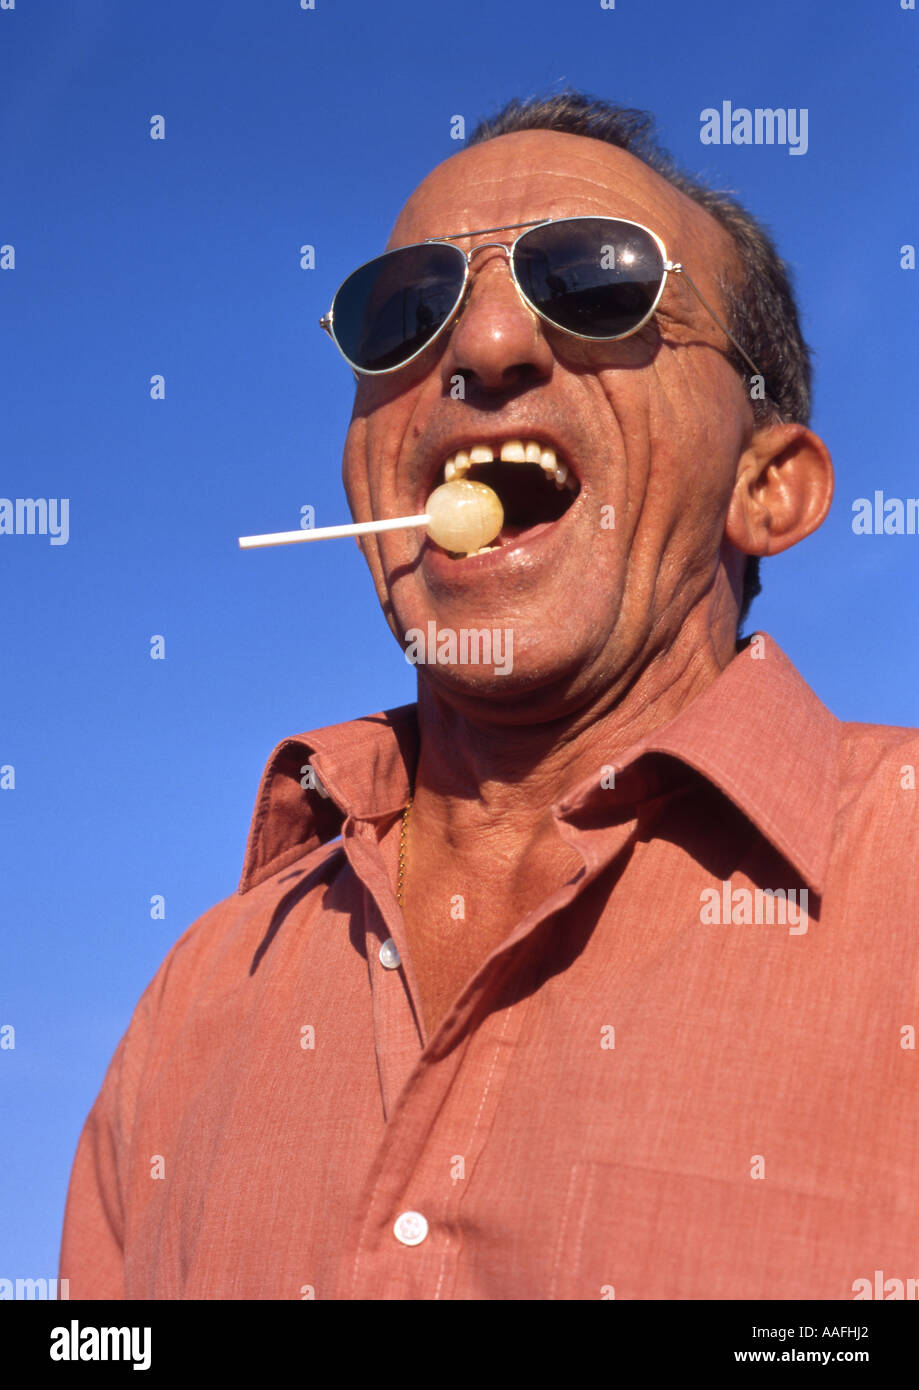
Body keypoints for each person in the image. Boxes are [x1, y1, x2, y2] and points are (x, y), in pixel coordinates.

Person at [60, 92, 919, 1301]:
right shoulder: (200, 991)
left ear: (765, 487)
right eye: (405, 313)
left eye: (598, 282)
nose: (484, 349)